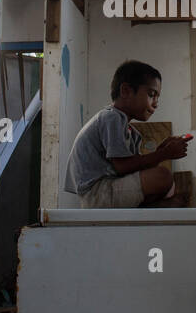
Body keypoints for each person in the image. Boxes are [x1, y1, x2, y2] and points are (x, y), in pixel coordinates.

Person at [64, 60, 189, 208]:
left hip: (109, 189)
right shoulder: (111, 118)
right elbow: (122, 167)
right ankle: (149, 208)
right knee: (163, 176)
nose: (156, 103)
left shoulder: (132, 133)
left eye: (157, 97)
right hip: (96, 195)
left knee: (168, 186)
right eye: (151, 94)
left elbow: (133, 168)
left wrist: (160, 151)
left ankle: (150, 207)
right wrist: (164, 155)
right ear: (126, 91)